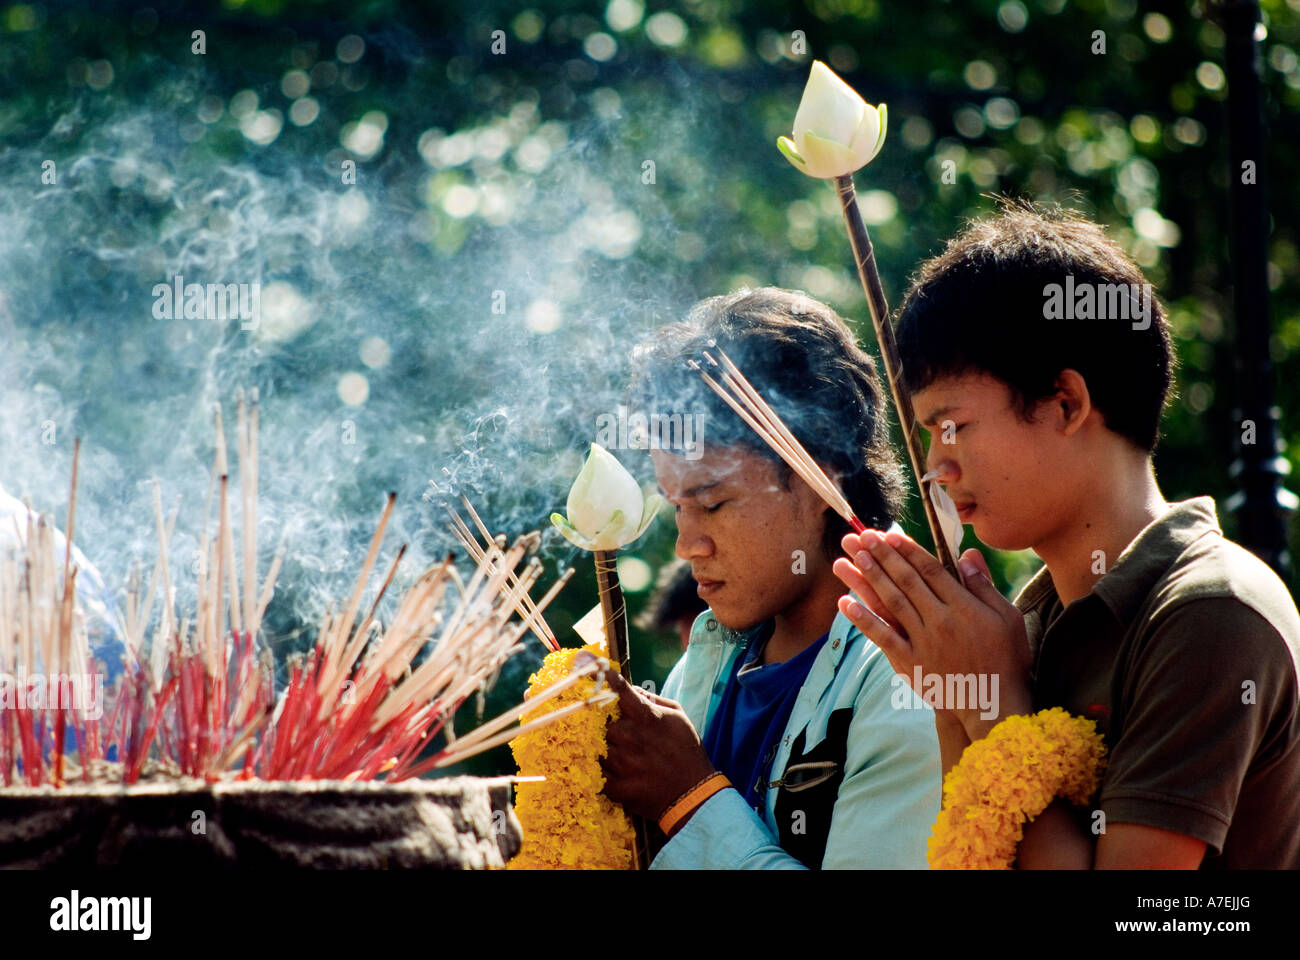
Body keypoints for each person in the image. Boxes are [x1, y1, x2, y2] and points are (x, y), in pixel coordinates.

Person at [833, 199, 1300, 868]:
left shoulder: (1210, 614)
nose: (936, 464)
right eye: (928, 434)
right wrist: (950, 694)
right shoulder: (1030, 619)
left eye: (951, 424)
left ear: (1065, 403)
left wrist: (991, 700)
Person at [599, 286, 942, 869]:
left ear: (819, 477)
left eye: (712, 503)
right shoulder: (709, 659)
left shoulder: (913, 673)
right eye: (676, 505)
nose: (688, 545)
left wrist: (689, 799)